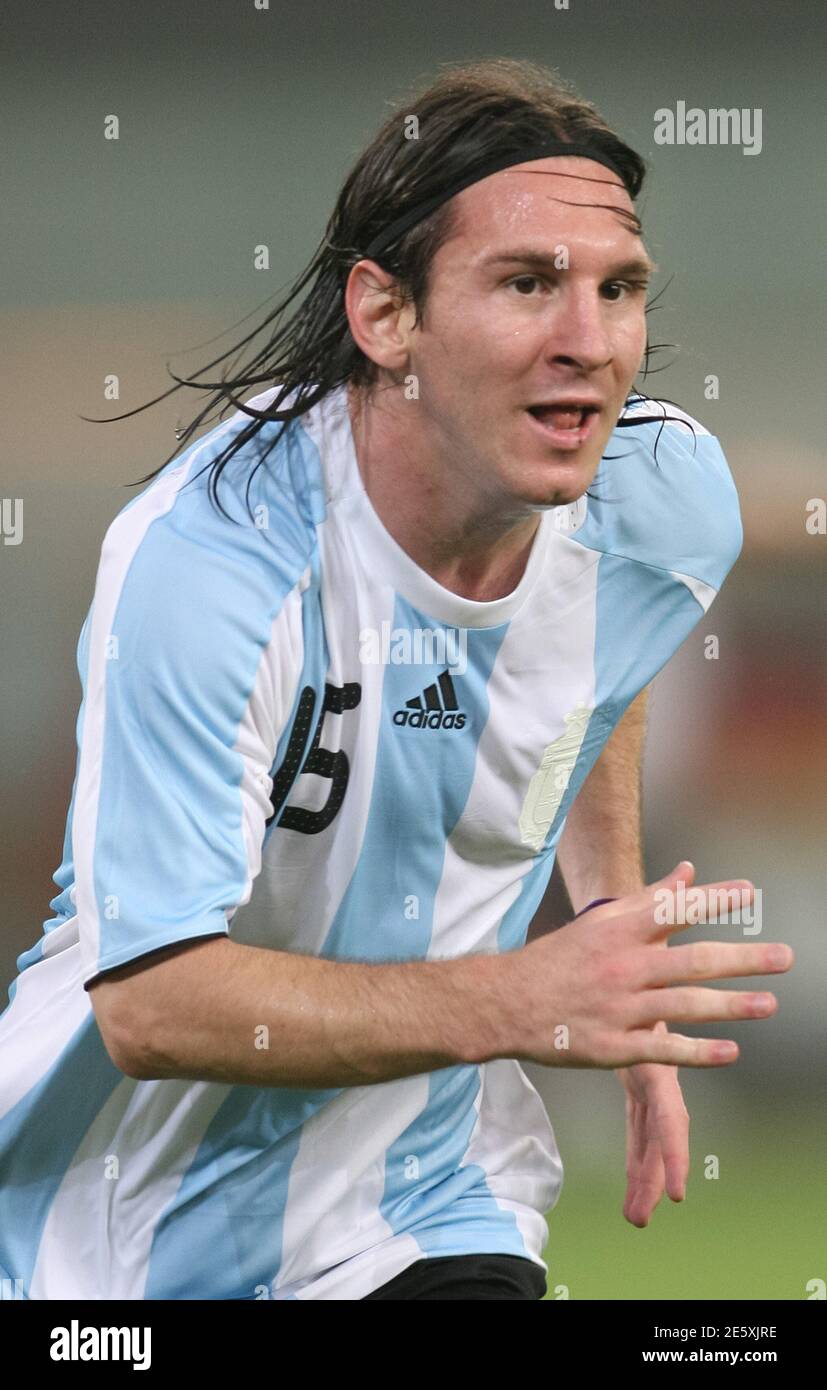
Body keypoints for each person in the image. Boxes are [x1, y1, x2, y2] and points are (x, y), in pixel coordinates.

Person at [0, 58, 792, 1302]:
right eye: (527, 283)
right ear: (385, 316)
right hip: (97, 1238)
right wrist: (521, 998)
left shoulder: (657, 505)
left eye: (618, 288)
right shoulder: (216, 565)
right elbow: (150, 1005)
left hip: (415, 1206)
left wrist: (606, 942)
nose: (588, 342)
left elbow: (606, 654)